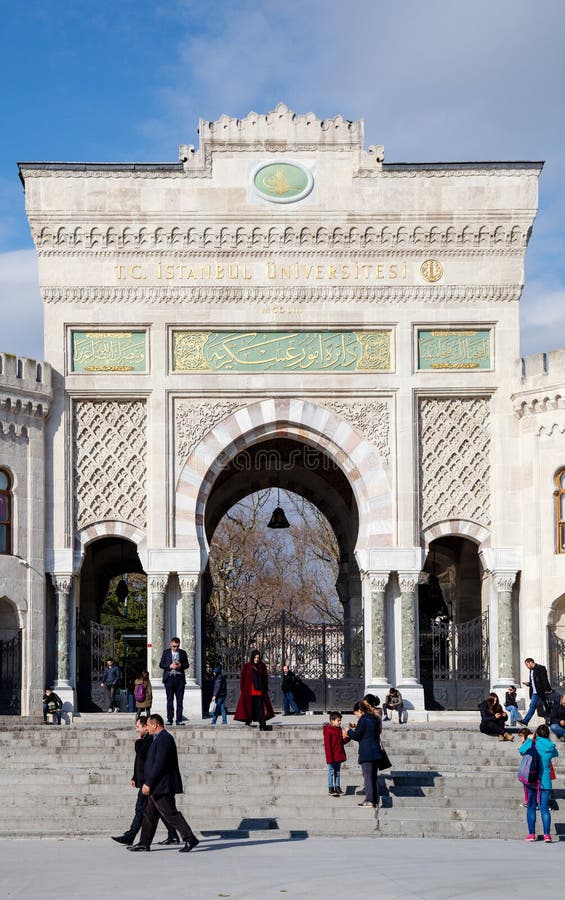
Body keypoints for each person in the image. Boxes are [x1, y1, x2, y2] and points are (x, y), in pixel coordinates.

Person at [127, 714, 200, 853]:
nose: (146, 728)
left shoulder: (164, 739)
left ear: (155, 725)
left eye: (148, 725)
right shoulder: (157, 738)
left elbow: (160, 764)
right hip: (158, 785)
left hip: (162, 785)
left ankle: (190, 838)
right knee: (150, 815)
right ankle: (144, 842)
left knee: (170, 813)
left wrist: (148, 783)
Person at [111, 716, 179, 847]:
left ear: (147, 727)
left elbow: (145, 757)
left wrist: (137, 742)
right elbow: (140, 762)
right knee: (159, 810)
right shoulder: (147, 739)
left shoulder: (150, 740)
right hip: (144, 780)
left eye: (138, 727)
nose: (137, 730)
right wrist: (134, 777)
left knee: (141, 809)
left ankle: (130, 836)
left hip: (148, 782)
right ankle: (173, 834)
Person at [519, 723, 559, 842]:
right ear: (548, 734)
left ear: (537, 733)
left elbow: (521, 751)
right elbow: (555, 754)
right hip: (545, 782)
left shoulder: (533, 743)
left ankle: (532, 834)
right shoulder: (551, 746)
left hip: (532, 780)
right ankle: (547, 835)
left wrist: (530, 739)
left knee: (531, 807)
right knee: (544, 808)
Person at [345, 699, 383, 808]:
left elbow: (357, 736)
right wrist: (356, 728)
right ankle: (375, 800)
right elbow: (367, 732)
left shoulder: (363, 719)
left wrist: (348, 731)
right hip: (376, 751)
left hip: (367, 752)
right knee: (374, 777)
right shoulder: (374, 719)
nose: (356, 715)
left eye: (355, 713)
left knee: (367, 777)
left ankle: (369, 800)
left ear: (360, 711)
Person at [234, 649, 275, 731]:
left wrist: (265, 689)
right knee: (249, 707)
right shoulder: (247, 666)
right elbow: (243, 679)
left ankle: (262, 725)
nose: (256, 659)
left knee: (260, 708)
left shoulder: (262, 666)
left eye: (258, 657)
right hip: (249, 692)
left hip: (259, 692)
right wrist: (243, 690)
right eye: (255, 657)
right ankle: (248, 720)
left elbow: (265, 678)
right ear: (252, 657)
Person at [159, 637, 189, 726]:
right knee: (169, 700)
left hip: (179, 679)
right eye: (174, 646)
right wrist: (170, 666)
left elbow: (187, 664)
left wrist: (181, 666)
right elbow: (161, 664)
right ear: (170, 644)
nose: (175, 648)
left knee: (180, 700)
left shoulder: (183, 653)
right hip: (169, 678)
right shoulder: (166, 652)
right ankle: (169, 719)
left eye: (177, 646)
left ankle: (179, 720)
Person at [323, 711, 350, 796]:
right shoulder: (328, 730)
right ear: (332, 720)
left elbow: (342, 742)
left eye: (340, 720)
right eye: (338, 720)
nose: (340, 722)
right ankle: (331, 788)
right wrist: (329, 758)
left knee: (337, 772)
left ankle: (337, 787)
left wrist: (347, 736)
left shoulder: (339, 729)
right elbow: (327, 746)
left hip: (339, 755)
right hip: (332, 756)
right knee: (331, 772)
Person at [521, 657, 552, 726]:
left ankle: (549, 720)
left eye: (527, 664)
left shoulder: (540, 668)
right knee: (532, 706)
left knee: (546, 706)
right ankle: (525, 721)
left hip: (542, 692)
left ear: (531, 662)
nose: (526, 666)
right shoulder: (531, 670)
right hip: (535, 693)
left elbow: (544, 680)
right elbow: (534, 681)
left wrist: (547, 690)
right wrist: (529, 684)